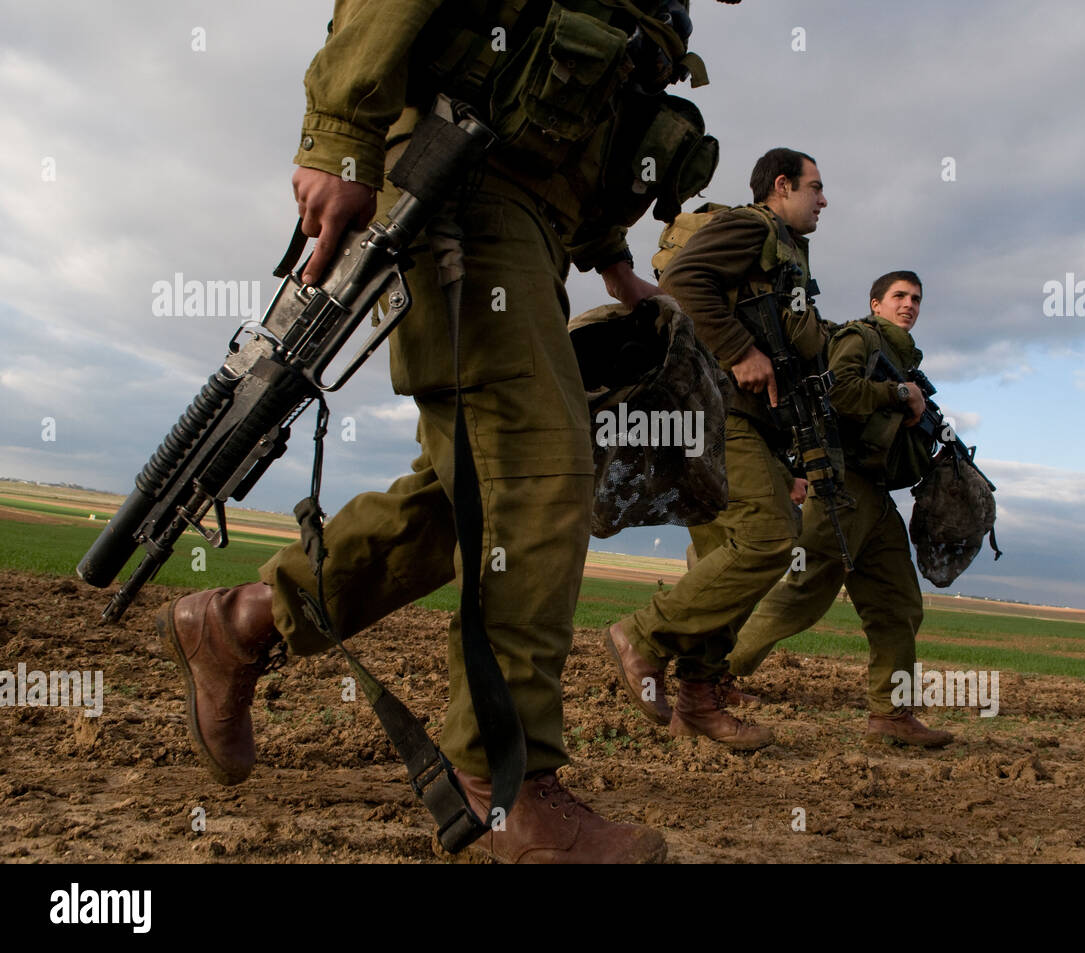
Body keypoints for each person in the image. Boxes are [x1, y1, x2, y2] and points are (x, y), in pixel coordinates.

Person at [156, 0, 737, 865]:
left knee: (478, 493)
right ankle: (507, 782)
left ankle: (240, 622)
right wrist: (341, 135)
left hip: (536, 221)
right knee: (538, 476)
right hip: (458, 180)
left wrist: (611, 251)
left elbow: (599, 100)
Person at [605, 147, 830, 750]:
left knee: (719, 561)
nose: (824, 200)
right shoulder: (753, 226)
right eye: (815, 187)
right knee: (769, 539)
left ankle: (699, 700)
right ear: (781, 186)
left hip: (748, 421)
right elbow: (682, 281)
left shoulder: (788, 256)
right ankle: (642, 635)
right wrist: (737, 349)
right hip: (724, 413)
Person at [727, 271, 955, 747]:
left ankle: (890, 715)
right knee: (801, 596)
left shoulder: (906, 361)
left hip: (876, 497)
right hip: (840, 488)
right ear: (876, 303)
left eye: (916, 298)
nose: (908, 304)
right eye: (899, 296)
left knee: (898, 605)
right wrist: (897, 394)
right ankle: (707, 676)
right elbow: (838, 392)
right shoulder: (860, 338)